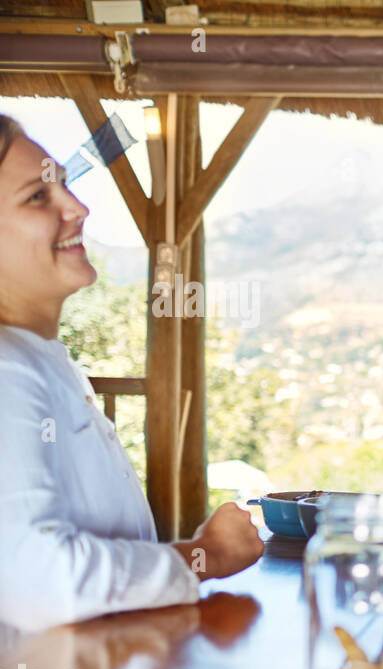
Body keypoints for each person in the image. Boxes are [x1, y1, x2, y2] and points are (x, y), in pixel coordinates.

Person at [0, 116, 263, 636]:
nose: (78, 207)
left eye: (65, 185)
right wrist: (203, 556)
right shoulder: (7, 368)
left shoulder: (46, 361)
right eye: (37, 197)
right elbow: (36, 580)